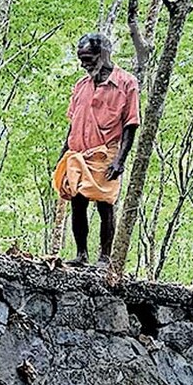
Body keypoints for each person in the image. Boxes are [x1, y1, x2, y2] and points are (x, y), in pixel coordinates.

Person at [52, 33, 140, 267]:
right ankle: (81, 255)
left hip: (106, 154)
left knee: (105, 204)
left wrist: (120, 160)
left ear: (103, 54)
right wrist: (63, 155)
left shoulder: (126, 83)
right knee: (77, 203)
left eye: (88, 58)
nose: (84, 64)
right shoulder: (81, 85)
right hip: (78, 153)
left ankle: (104, 257)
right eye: (81, 59)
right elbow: (73, 122)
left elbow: (131, 124)